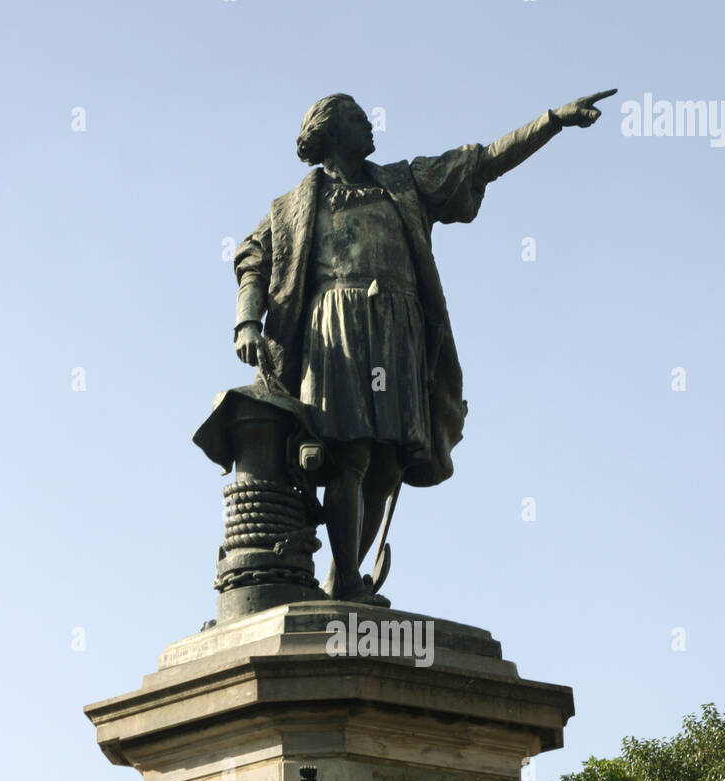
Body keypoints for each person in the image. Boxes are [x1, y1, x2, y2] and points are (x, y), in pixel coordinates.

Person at [234, 90, 615, 602]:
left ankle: (339, 581)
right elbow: (252, 259)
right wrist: (247, 323)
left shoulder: (403, 183)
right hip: (337, 328)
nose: (369, 122)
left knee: (390, 462)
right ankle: (347, 577)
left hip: (398, 327)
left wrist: (551, 122)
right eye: (355, 116)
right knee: (351, 454)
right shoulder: (292, 209)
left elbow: (478, 162)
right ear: (329, 132)